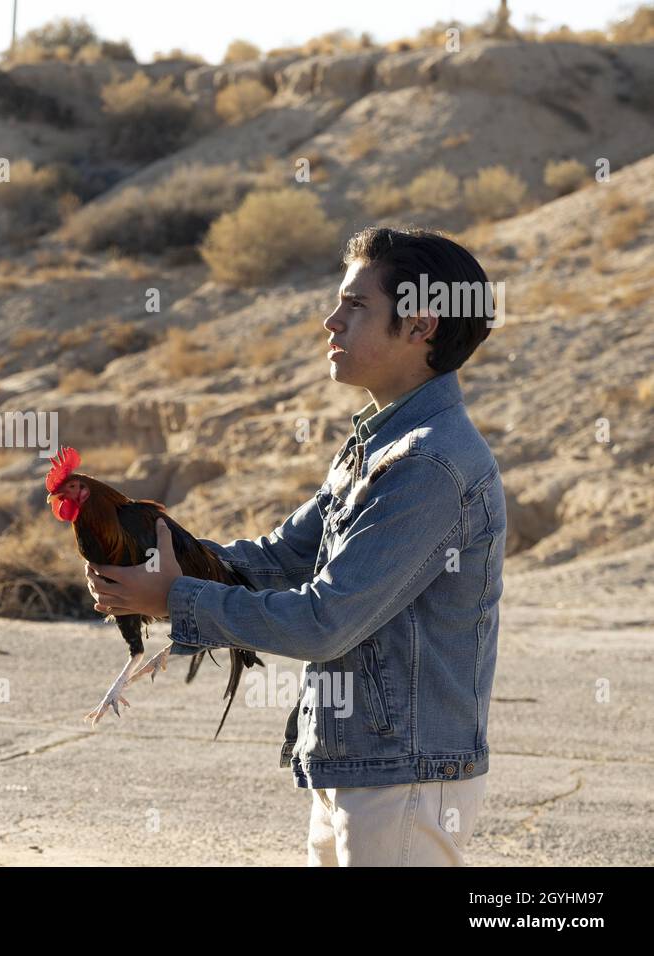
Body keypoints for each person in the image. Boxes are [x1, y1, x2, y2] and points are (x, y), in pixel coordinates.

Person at [85, 227, 505, 866]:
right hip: (361, 763)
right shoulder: (378, 445)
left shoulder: (429, 464)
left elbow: (325, 621)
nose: (331, 321)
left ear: (421, 325)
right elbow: (281, 557)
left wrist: (174, 597)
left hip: (403, 777)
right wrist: (149, 552)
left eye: (355, 305)